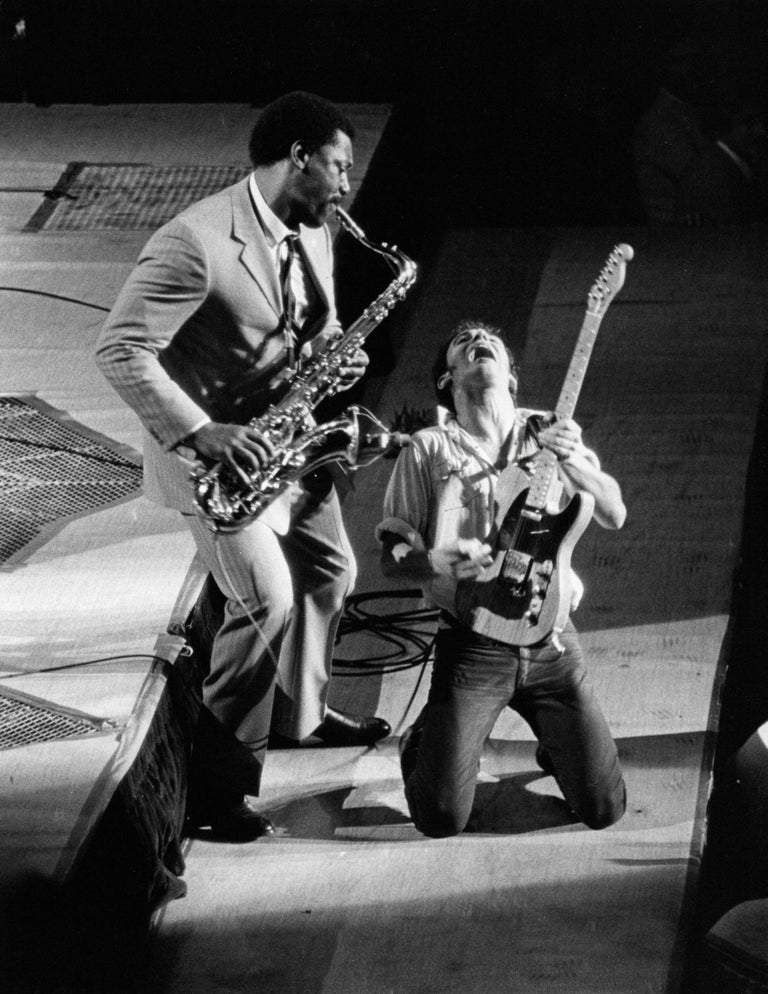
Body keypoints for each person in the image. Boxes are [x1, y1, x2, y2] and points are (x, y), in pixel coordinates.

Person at [96, 91, 391, 840]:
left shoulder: (313, 223)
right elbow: (119, 349)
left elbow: (311, 324)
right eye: (338, 166)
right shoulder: (193, 240)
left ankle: (303, 715)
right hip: (217, 465)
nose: (347, 183)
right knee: (267, 600)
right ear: (298, 157)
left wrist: (335, 353)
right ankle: (214, 791)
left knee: (332, 574)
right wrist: (205, 433)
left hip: (286, 443)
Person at [376, 319, 627, 838]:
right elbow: (390, 556)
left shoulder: (553, 432)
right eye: (462, 340)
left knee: (605, 809)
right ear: (447, 380)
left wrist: (575, 462)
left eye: (490, 338)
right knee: (441, 818)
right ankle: (424, 742)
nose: (477, 339)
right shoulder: (426, 449)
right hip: (472, 647)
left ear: (512, 375)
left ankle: (556, 742)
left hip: (552, 645)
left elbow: (614, 513)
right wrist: (437, 560)